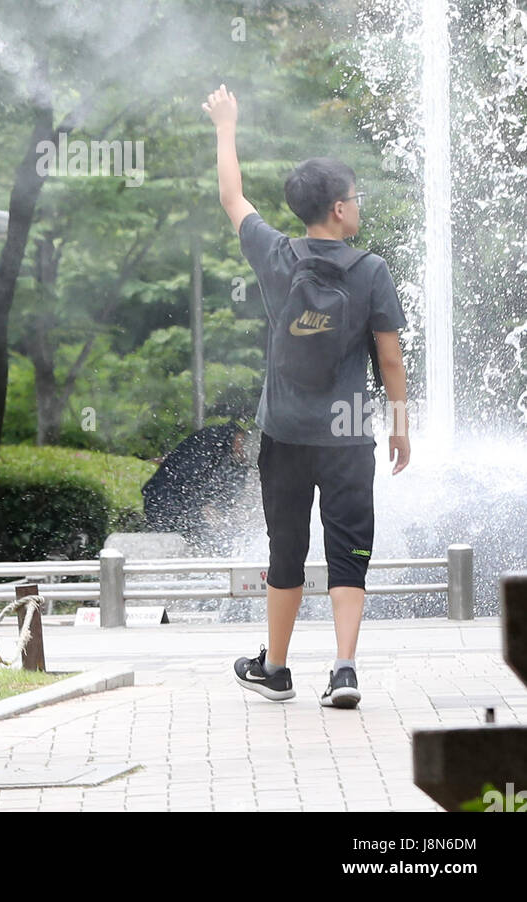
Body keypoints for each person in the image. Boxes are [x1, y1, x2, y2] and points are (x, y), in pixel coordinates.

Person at [202, 83, 410, 708]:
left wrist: (226, 125)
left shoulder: (275, 253)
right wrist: (400, 425)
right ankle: (343, 669)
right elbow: (391, 358)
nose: (358, 205)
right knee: (349, 550)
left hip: (285, 432)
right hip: (348, 435)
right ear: (340, 211)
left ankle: (279, 668)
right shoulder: (371, 270)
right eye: (355, 198)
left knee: (285, 547)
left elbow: (232, 196)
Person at [142, 421, 250, 547]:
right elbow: (189, 478)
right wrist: (207, 508)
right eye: (240, 442)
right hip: (166, 502)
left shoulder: (214, 445)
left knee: (210, 538)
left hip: (167, 501)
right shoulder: (209, 445)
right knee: (210, 541)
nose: (241, 448)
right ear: (233, 436)